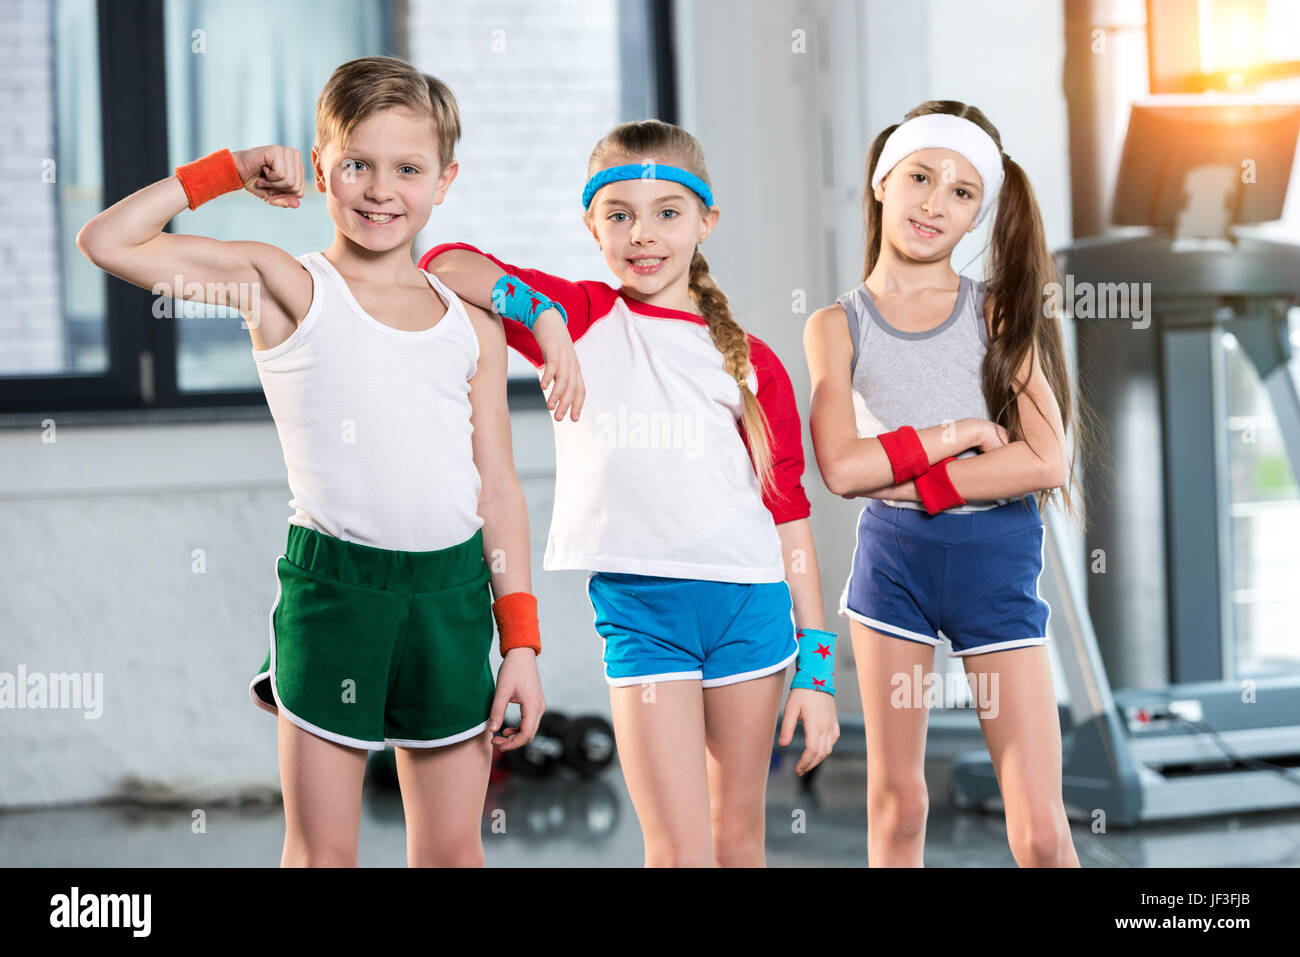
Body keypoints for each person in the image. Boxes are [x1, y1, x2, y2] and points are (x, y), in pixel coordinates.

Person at [75, 55, 565, 867]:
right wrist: (226, 171)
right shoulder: (285, 286)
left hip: (451, 597)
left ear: (444, 181)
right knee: (323, 854)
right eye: (357, 165)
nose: (381, 189)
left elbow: (500, 492)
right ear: (320, 169)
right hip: (336, 592)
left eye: (407, 168)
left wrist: (521, 641)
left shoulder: (470, 324)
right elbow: (109, 241)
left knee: (453, 853)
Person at [422, 119, 840, 867]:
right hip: (643, 612)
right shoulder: (585, 315)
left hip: (750, 607)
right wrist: (544, 318)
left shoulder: (751, 362)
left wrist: (817, 666)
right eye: (619, 214)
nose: (642, 234)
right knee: (677, 850)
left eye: (667, 213)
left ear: (706, 221)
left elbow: (791, 518)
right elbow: (445, 261)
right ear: (592, 224)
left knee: (735, 839)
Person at [803, 100, 1096, 867]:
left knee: (1039, 831)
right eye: (921, 177)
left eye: (962, 192)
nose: (935, 202)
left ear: (978, 216)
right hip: (892, 567)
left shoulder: (998, 312)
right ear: (880, 183)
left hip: (994, 561)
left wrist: (911, 479)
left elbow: (1042, 460)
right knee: (899, 807)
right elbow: (839, 466)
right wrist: (962, 439)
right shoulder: (836, 324)